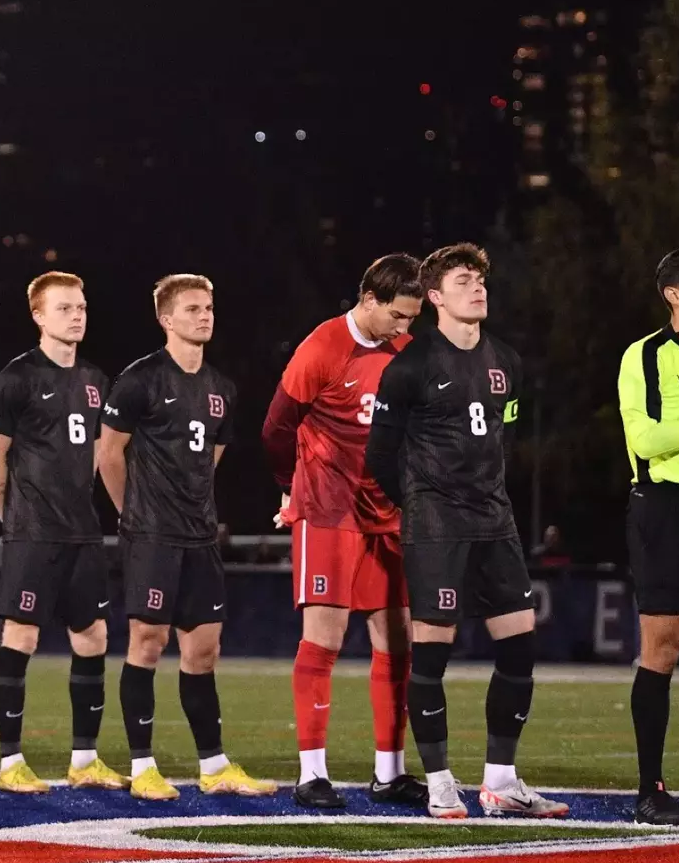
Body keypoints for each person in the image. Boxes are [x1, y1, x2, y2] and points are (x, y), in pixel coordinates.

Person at [366, 242, 566, 819]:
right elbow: (380, 457)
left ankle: (501, 781)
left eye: (480, 280)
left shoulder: (506, 360)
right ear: (434, 296)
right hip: (437, 527)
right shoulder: (409, 367)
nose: (478, 288)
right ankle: (439, 782)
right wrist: (423, 505)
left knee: (520, 644)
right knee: (433, 655)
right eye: (463, 281)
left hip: (495, 521)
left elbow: (504, 438)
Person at [259, 254, 428, 809]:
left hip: (388, 510)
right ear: (370, 300)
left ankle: (389, 773)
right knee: (324, 639)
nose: (404, 327)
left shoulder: (406, 349)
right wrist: (291, 488)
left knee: (397, 641)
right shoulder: (323, 347)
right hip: (329, 508)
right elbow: (276, 428)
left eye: (412, 318)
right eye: (398, 315)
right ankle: (311, 775)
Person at [98, 275, 275, 800]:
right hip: (151, 535)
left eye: (209, 307)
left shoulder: (221, 388)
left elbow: (209, 460)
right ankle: (142, 767)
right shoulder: (139, 380)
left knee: (204, 650)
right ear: (166, 319)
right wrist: (133, 513)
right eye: (193, 308)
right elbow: (108, 455)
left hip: (199, 537)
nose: (205, 316)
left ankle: (214, 766)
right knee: (147, 643)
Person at [0, 272, 124, 793]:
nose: (77, 315)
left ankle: (84, 759)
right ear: (38, 316)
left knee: (93, 636)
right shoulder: (17, 377)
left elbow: (100, 456)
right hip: (32, 533)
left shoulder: (95, 379)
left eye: (81, 307)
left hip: (82, 533)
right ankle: (11, 762)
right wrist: (15, 521)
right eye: (64, 308)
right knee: (21, 637)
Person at [618, 248, 679, 826]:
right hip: (665, 508)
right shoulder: (644, 355)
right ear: (674, 293)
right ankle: (651, 791)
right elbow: (645, 441)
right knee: (663, 646)